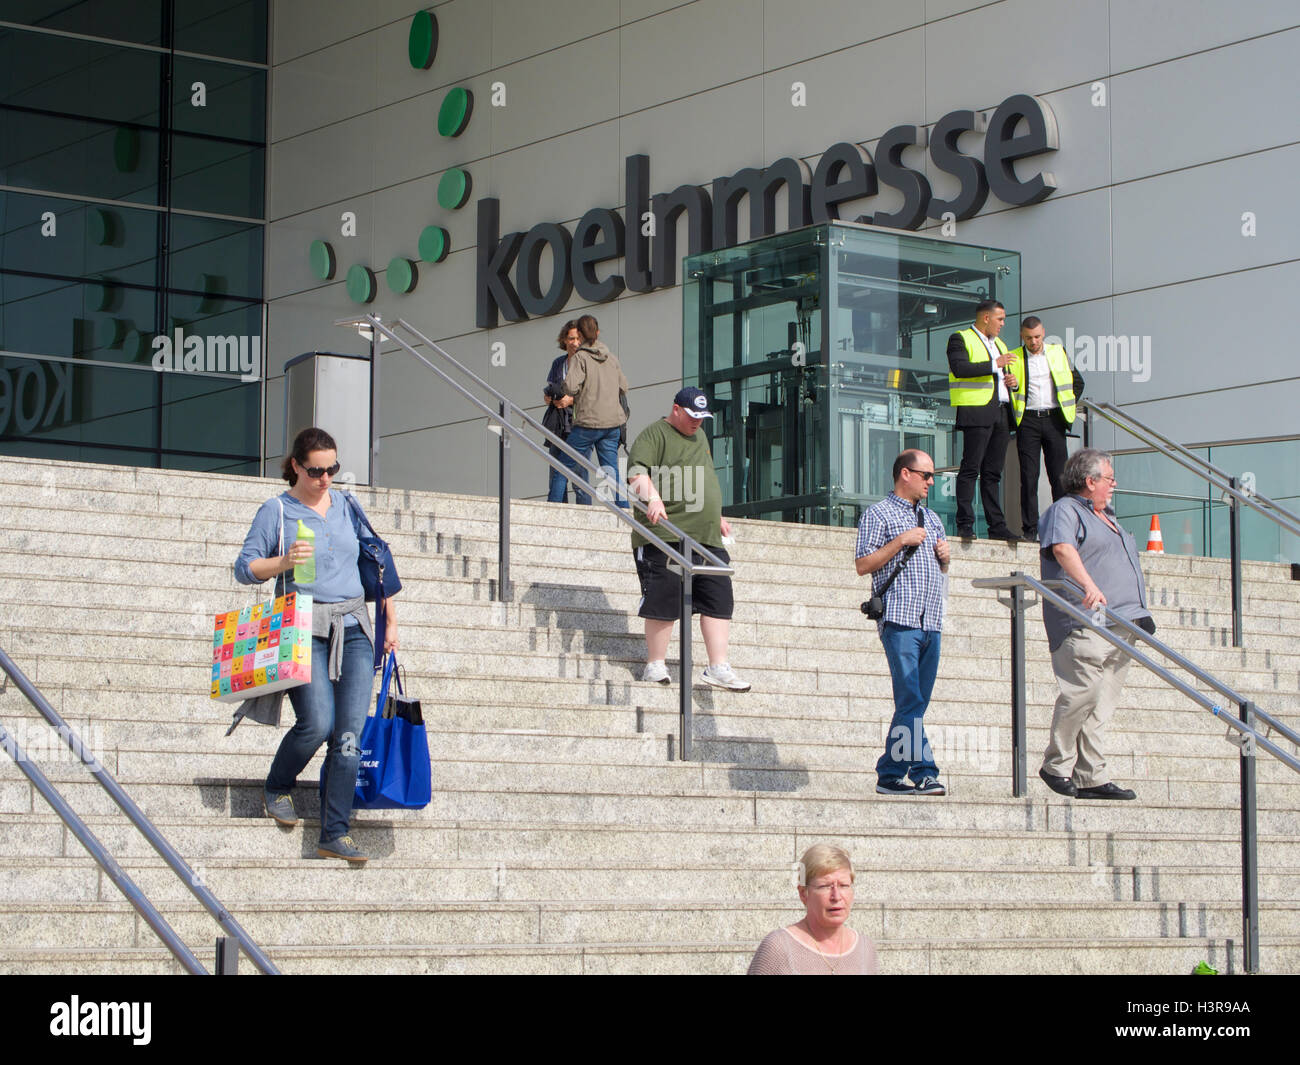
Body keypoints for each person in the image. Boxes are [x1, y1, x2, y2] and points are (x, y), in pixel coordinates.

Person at [235, 427, 399, 862]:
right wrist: (283, 562)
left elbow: (377, 565)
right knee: (318, 723)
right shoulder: (277, 511)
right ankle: (277, 784)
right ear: (295, 465)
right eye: (316, 471)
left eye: (332, 469)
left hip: (355, 627)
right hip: (302, 626)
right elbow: (245, 567)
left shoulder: (347, 504)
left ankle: (335, 832)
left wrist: (389, 621)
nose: (325, 478)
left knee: (348, 736)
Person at [1038, 448, 1153, 801]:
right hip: (1083, 618)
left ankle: (1092, 775)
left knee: (1102, 703)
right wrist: (1088, 585)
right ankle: (1056, 764)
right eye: (1109, 478)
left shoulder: (1109, 517)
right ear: (1089, 481)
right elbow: (1062, 549)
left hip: (1121, 621)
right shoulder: (1065, 510)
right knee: (1083, 691)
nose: (1114, 485)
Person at [626, 387, 749, 691]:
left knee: (718, 597)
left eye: (702, 418)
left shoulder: (701, 437)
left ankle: (718, 666)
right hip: (666, 533)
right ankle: (655, 664)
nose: (697, 422)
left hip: (705, 535)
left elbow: (704, 476)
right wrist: (652, 497)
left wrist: (715, 515)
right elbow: (636, 474)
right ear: (677, 409)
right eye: (692, 416)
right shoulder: (655, 434)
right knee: (664, 596)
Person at [855, 449, 950, 795]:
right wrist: (901, 541)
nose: (931, 482)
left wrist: (944, 559)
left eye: (932, 476)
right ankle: (925, 771)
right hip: (899, 619)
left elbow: (939, 568)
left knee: (915, 702)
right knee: (911, 699)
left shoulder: (932, 518)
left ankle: (890, 772)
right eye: (926, 475)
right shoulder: (878, 514)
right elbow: (863, 564)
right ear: (905, 474)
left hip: (931, 621)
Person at [947, 298, 1018, 540]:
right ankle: (965, 525)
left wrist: (1013, 383)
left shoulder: (1000, 344)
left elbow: (1004, 376)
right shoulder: (960, 338)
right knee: (971, 468)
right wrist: (994, 364)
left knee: (993, 473)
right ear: (986, 318)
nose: (1002, 325)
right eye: (999, 319)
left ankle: (997, 527)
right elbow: (960, 368)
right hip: (976, 411)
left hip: (1001, 411)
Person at [748, 844, 878, 975]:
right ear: (803, 893)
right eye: (825, 886)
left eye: (844, 885)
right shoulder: (778, 948)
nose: (836, 896)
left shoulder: (865, 949)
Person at [1008, 316, 1084, 541]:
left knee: (1059, 477)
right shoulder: (1014, 358)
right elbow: (1010, 391)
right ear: (1022, 336)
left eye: (1038, 337)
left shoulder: (1058, 352)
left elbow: (1077, 382)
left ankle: (1062, 528)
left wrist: (1064, 407)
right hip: (1028, 421)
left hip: (1053, 420)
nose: (1034, 342)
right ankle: (1030, 530)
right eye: (1029, 338)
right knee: (1029, 478)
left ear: (1044, 333)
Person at [562, 314, 629, 508]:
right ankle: (624, 512)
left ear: (580, 336)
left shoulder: (580, 357)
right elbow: (624, 386)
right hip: (612, 424)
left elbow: (570, 388)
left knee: (562, 467)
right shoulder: (612, 358)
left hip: (587, 424)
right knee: (612, 471)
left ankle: (552, 507)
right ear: (598, 332)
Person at [542, 320, 579, 502]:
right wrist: (549, 398)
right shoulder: (558, 363)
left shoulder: (587, 362)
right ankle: (558, 510)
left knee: (579, 476)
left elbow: (593, 393)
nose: (574, 342)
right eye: (571, 338)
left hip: (579, 423)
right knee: (556, 470)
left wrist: (570, 400)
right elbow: (550, 387)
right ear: (564, 340)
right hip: (558, 422)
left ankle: (584, 516)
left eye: (578, 338)